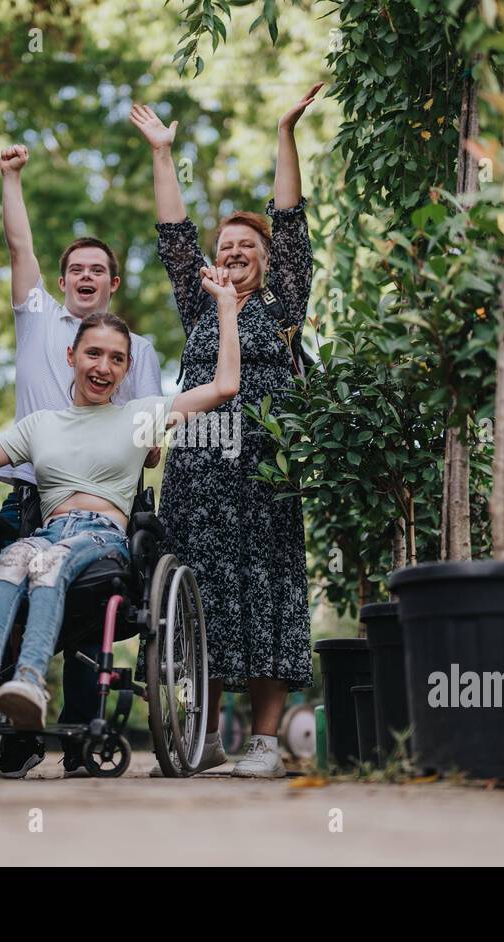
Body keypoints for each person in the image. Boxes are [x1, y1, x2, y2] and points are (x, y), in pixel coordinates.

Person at [0, 265, 239, 756]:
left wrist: (226, 307)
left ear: (126, 370)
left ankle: (31, 682)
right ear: (71, 356)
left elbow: (224, 387)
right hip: (50, 528)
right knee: (12, 559)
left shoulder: (141, 417)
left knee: (44, 561)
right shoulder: (40, 425)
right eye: (93, 353)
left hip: (103, 537)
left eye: (116, 359)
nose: (103, 366)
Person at [129, 84, 321, 778]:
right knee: (202, 597)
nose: (235, 251)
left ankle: (266, 745)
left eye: (247, 246)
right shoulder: (200, 303)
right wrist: (162, 153)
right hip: (201, 477)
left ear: (267, 262)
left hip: (266, 473)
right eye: (225, 246)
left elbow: (289, 216)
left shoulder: (284, 304)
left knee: (266, 591)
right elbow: (173, 233)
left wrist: (284, 132)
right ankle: (203, 736)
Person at [0, 144, 164, 777]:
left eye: (99, 270)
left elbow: (149, 437)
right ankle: (11, 734)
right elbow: (19, 249)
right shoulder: (38, 323)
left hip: (98, 502)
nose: (86, 277)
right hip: (29, 494)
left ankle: (80, 742)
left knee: (87, 613)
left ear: (113, 283)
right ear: (63, 281)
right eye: (76, 270)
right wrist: (10, 177)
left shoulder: (134, 350)